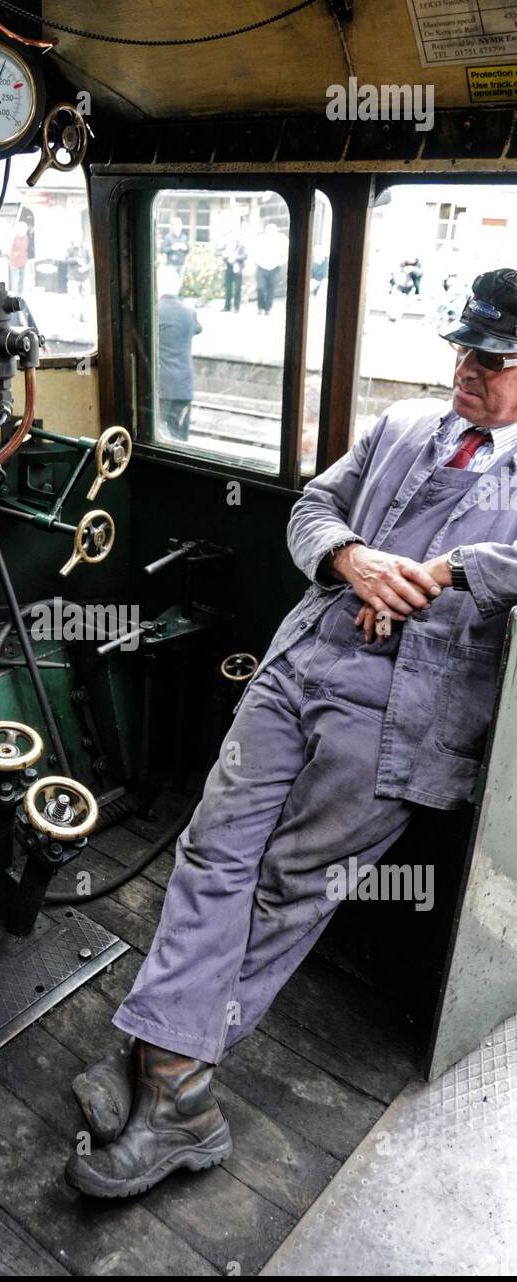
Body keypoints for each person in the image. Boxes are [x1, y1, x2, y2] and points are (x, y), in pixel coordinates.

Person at [65, 267, 517, 1199]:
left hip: (405, 723)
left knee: (289, 889)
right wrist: (349, 558)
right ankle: (178, 1082)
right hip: (300, 668)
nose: (470, 370)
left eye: (496, 359)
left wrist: (452, 568)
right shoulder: (400, 427)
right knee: (209, 853)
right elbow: (312, 509)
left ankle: (166, 1071)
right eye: (464, 350)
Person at [156, 265, 202, 442]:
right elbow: (198, 329)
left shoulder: (155, 311)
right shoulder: (189, 312)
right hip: (183, 387)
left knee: (159, 439)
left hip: (162, 387)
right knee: (180, 437)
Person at [250, 221, 288, 315]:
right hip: (261, 268)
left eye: (272, 231)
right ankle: (260, 307)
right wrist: (256, 261)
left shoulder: (281, 240)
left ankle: (268, 309)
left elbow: (285, 254)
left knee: (271, 289)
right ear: (266, 231)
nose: (270, 233)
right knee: (261, 288)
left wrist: (280, 262)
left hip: (274, 268)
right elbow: (253, 251)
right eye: (268, 231)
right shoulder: (260, 239)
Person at [223, 238, 247, 312]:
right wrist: (225, 255)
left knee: (237, 289)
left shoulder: (241, 247)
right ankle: (227, 307)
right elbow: (219, 253)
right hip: (228, 268)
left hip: (237, 268)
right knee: (228, 289)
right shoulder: (226, 246)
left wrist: (235, 257)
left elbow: (244, 256)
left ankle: (236, 307)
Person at [8, 220, 29, 294]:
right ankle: (16, 298)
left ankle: (20, 296)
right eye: (22, 229)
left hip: (23, 262)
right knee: (15, 280)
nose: (23, 231)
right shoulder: (14, 238)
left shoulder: (26, 237)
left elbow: (25, 249)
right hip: (14, 262)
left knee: (21, 281)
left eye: (25, 229)